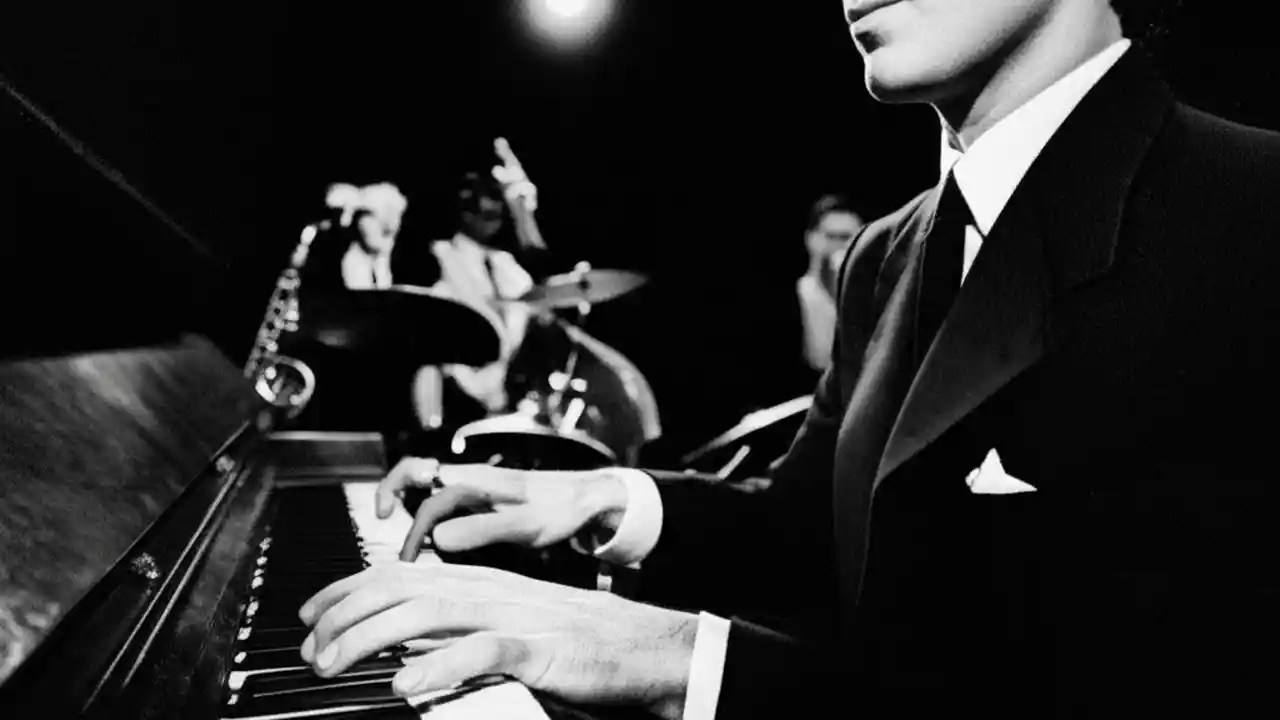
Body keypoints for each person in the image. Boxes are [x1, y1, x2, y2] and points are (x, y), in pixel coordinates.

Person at [295, 1, 1280, 717]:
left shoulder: (1253, 215)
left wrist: (678, 656)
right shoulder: (886, 251)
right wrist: (599, 500)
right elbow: (809, 533)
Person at [796, 194, 863, 372]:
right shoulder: (800, 295)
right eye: (834, 237)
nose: (843, 247)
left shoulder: (868, 301)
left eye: (852, 239)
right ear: (811, 239)